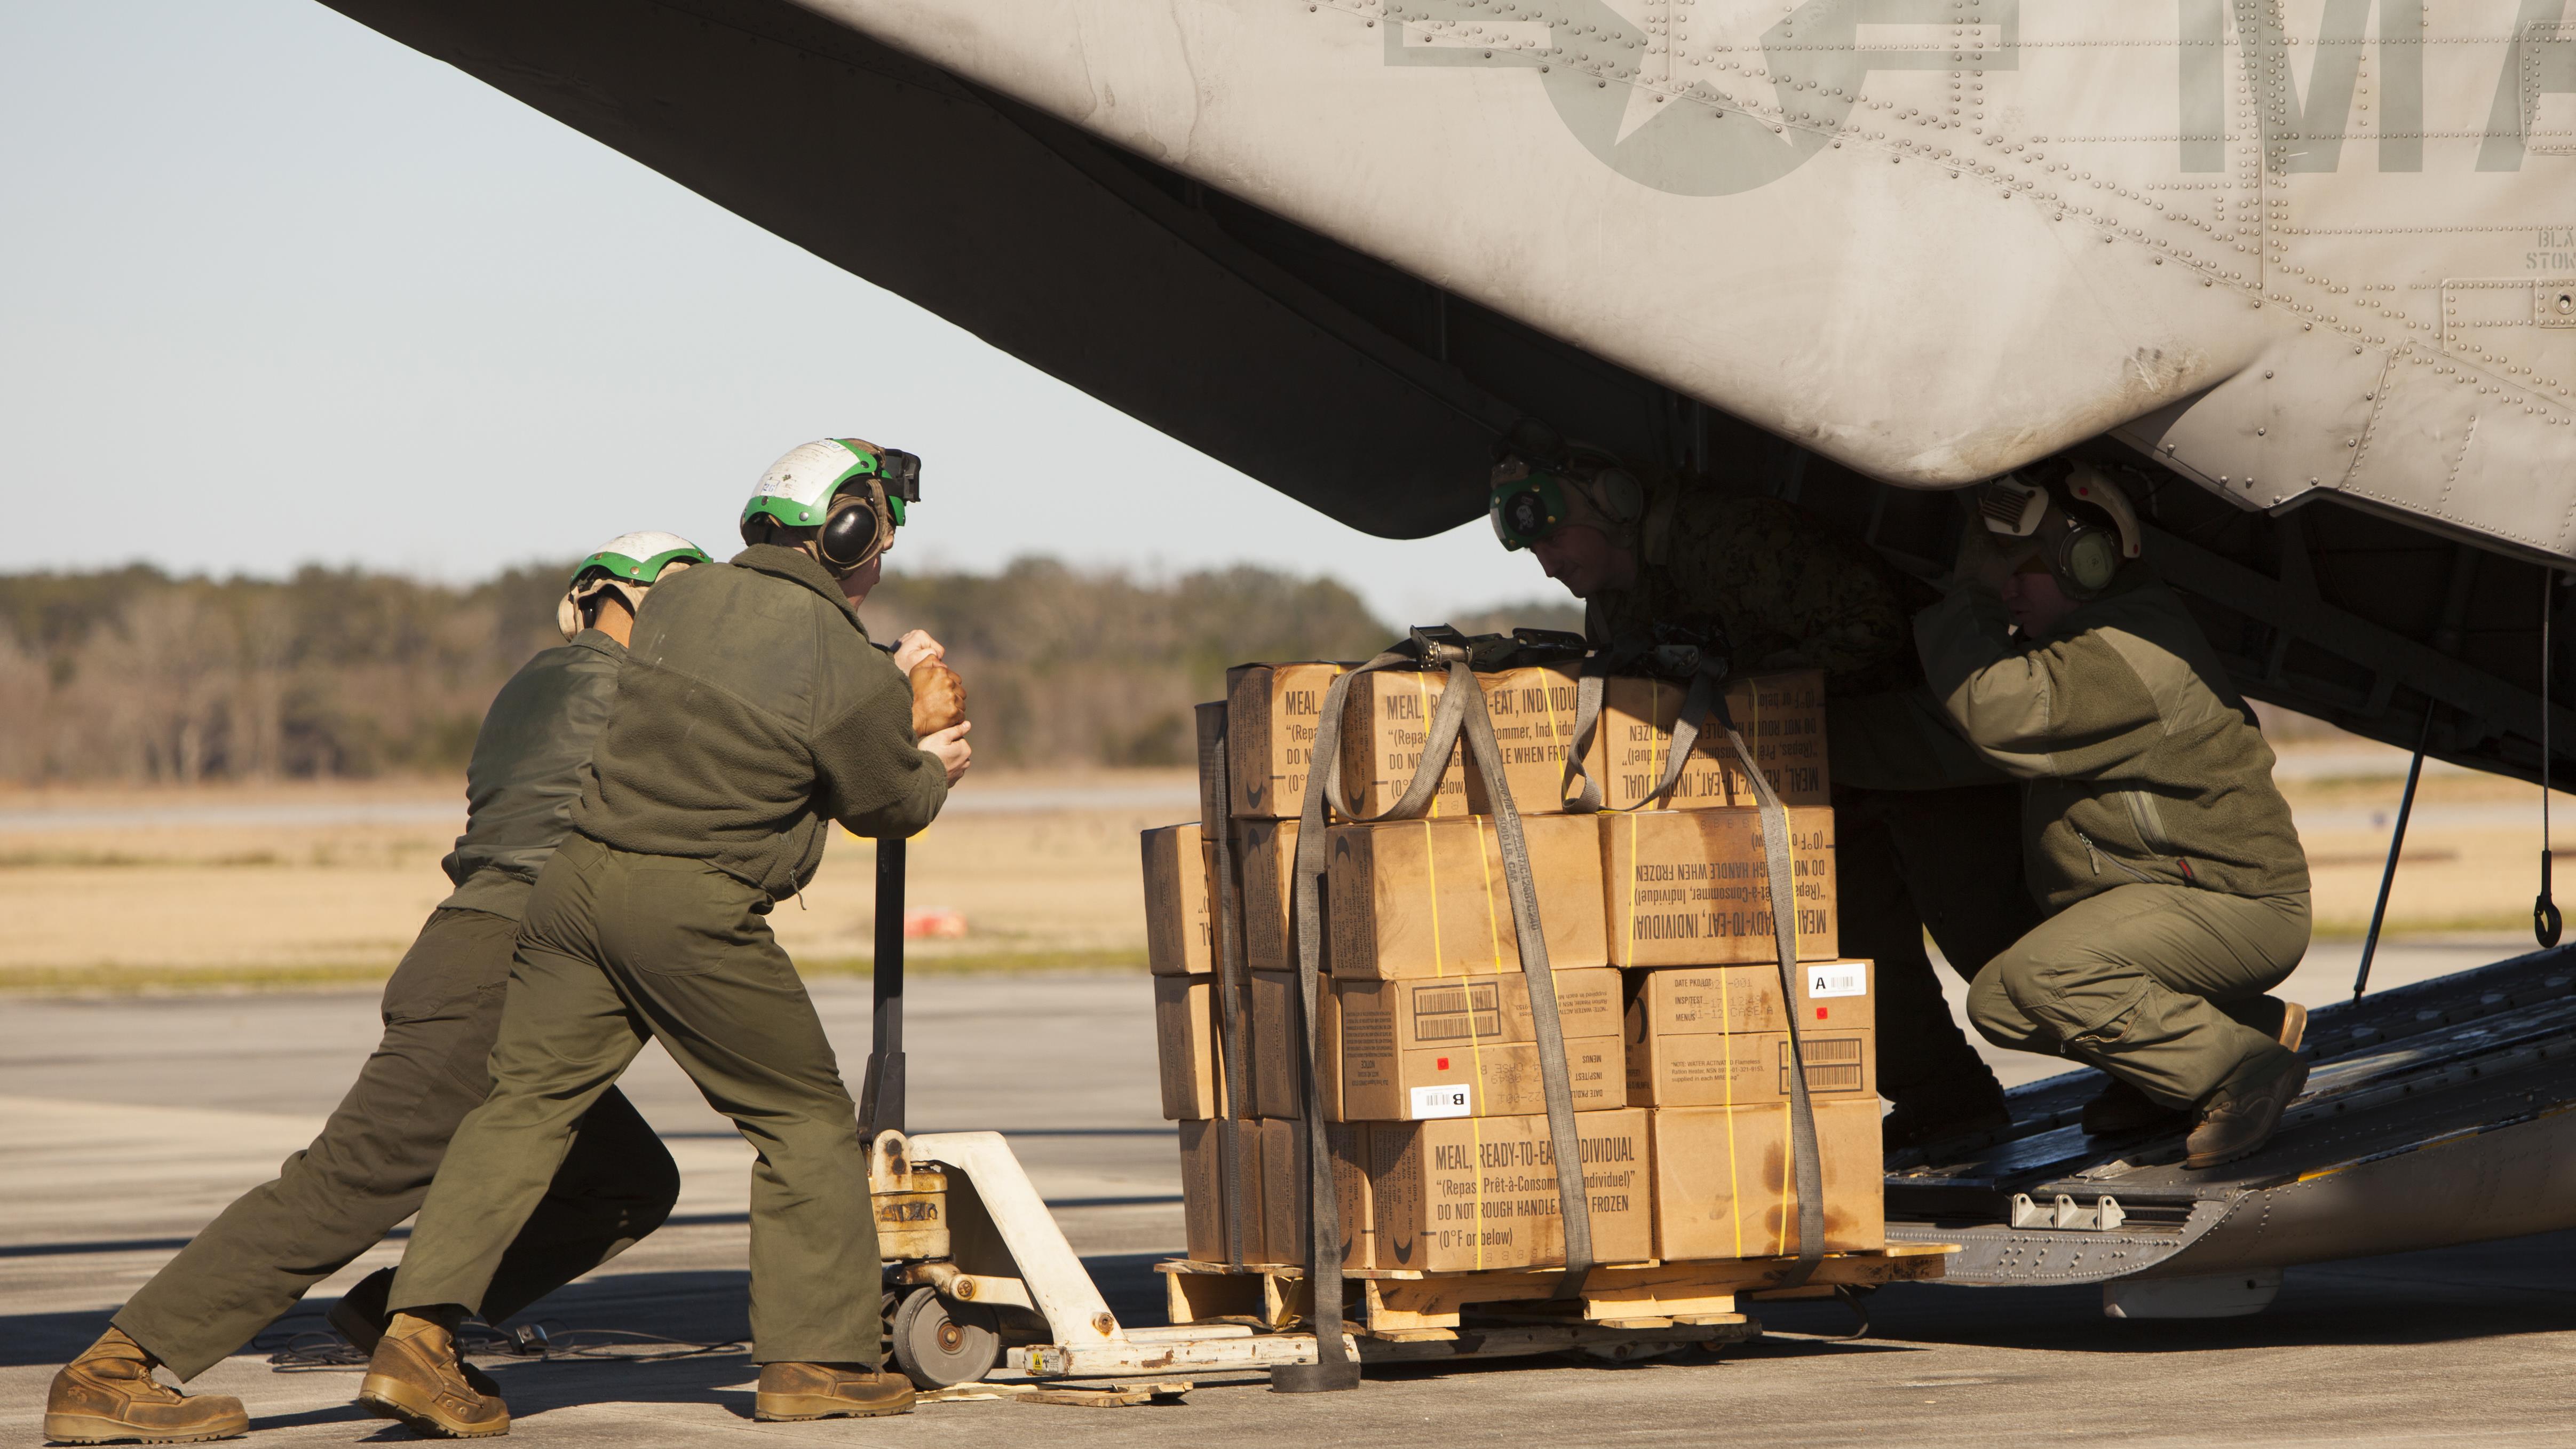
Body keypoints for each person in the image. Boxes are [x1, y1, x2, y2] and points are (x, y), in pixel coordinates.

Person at [353, 439, 972, 1437]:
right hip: (690, 908)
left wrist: (881, 684)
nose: (879, 560)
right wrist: (929, 754)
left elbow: (763, 677)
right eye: (877, 539)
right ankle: (815, 1362)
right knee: (803, 1124)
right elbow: (885, 803)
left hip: (574, 890)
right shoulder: (837, 660)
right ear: (846, 533)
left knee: (523, 1108)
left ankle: (416, 1336)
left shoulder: (680, 603)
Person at [42, 534, 711, 1447]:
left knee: (626, 1182)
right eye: (678, 603)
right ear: (614, 602)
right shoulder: (611, 687)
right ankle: (112, 1370)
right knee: (347, 1183)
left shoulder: (544, 682)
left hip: (508, 963)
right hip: (501, 965)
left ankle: (403, 1323)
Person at [1491, 442, 2041, 1151]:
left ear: (1610, 502)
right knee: (1846, 946)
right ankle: (1945, 1097)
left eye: (1553, 537)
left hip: (1917, 747)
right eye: (1532, 551)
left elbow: (1877, 627)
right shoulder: (1615, 609)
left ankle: (2154, 1075)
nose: (1548, 562)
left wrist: (1752, 686)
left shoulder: (1729, 536)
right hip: (1822, 776)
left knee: (1988, 938)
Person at [1925, 463, 2312, 1166]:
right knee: (1999, 1001)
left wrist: (1971, 592)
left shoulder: (2135, 650)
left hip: (2236, 905)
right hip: (2172, 903)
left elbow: (1998, 713)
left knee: (2046, 975)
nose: (2009, 590)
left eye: (2024, 568)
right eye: (2001, 574)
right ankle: (2206, 1047)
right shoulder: (2073, 651)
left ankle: (2242, 1070)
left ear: (2089, 562)